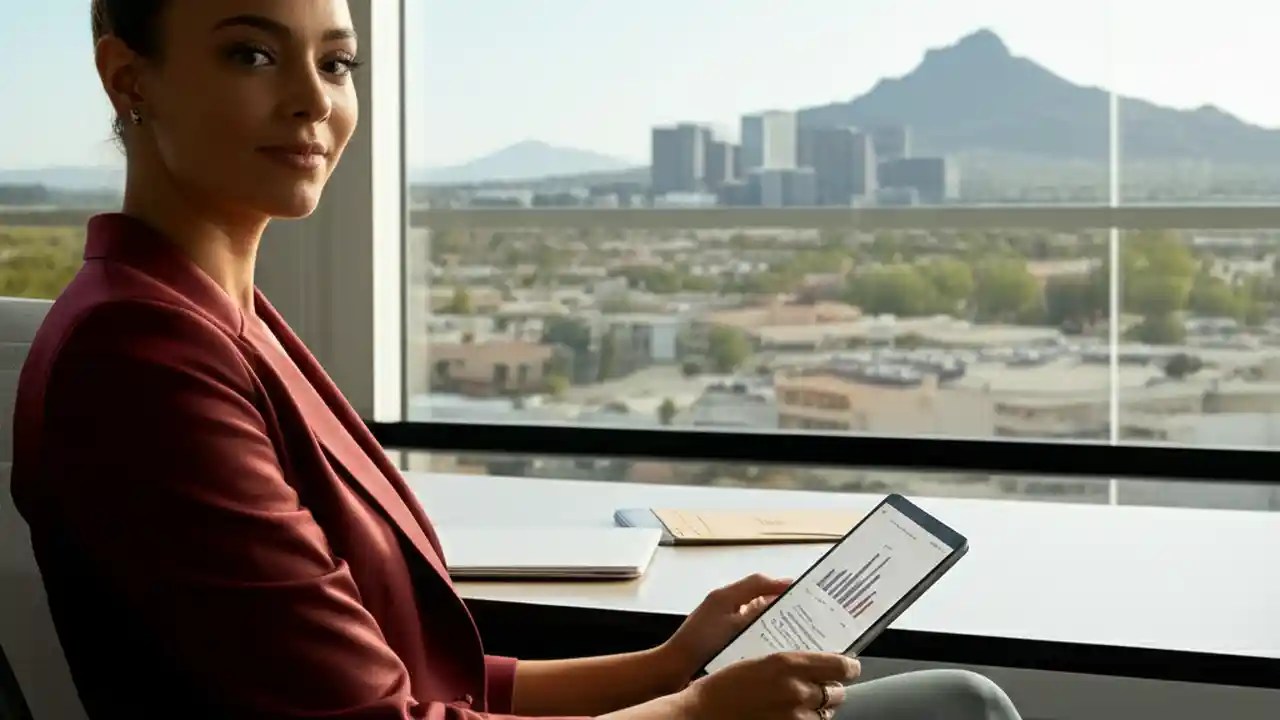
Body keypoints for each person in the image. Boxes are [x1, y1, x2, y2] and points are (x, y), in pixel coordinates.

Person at [9, 2, 1023, 719]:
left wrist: (670, 663)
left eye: (336, 62)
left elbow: (437, 683)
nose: (314, 102)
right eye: (251, 55)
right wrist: (698, 713)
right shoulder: (140, 359)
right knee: (962, 706)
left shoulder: (229, 321)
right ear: (127, 77)